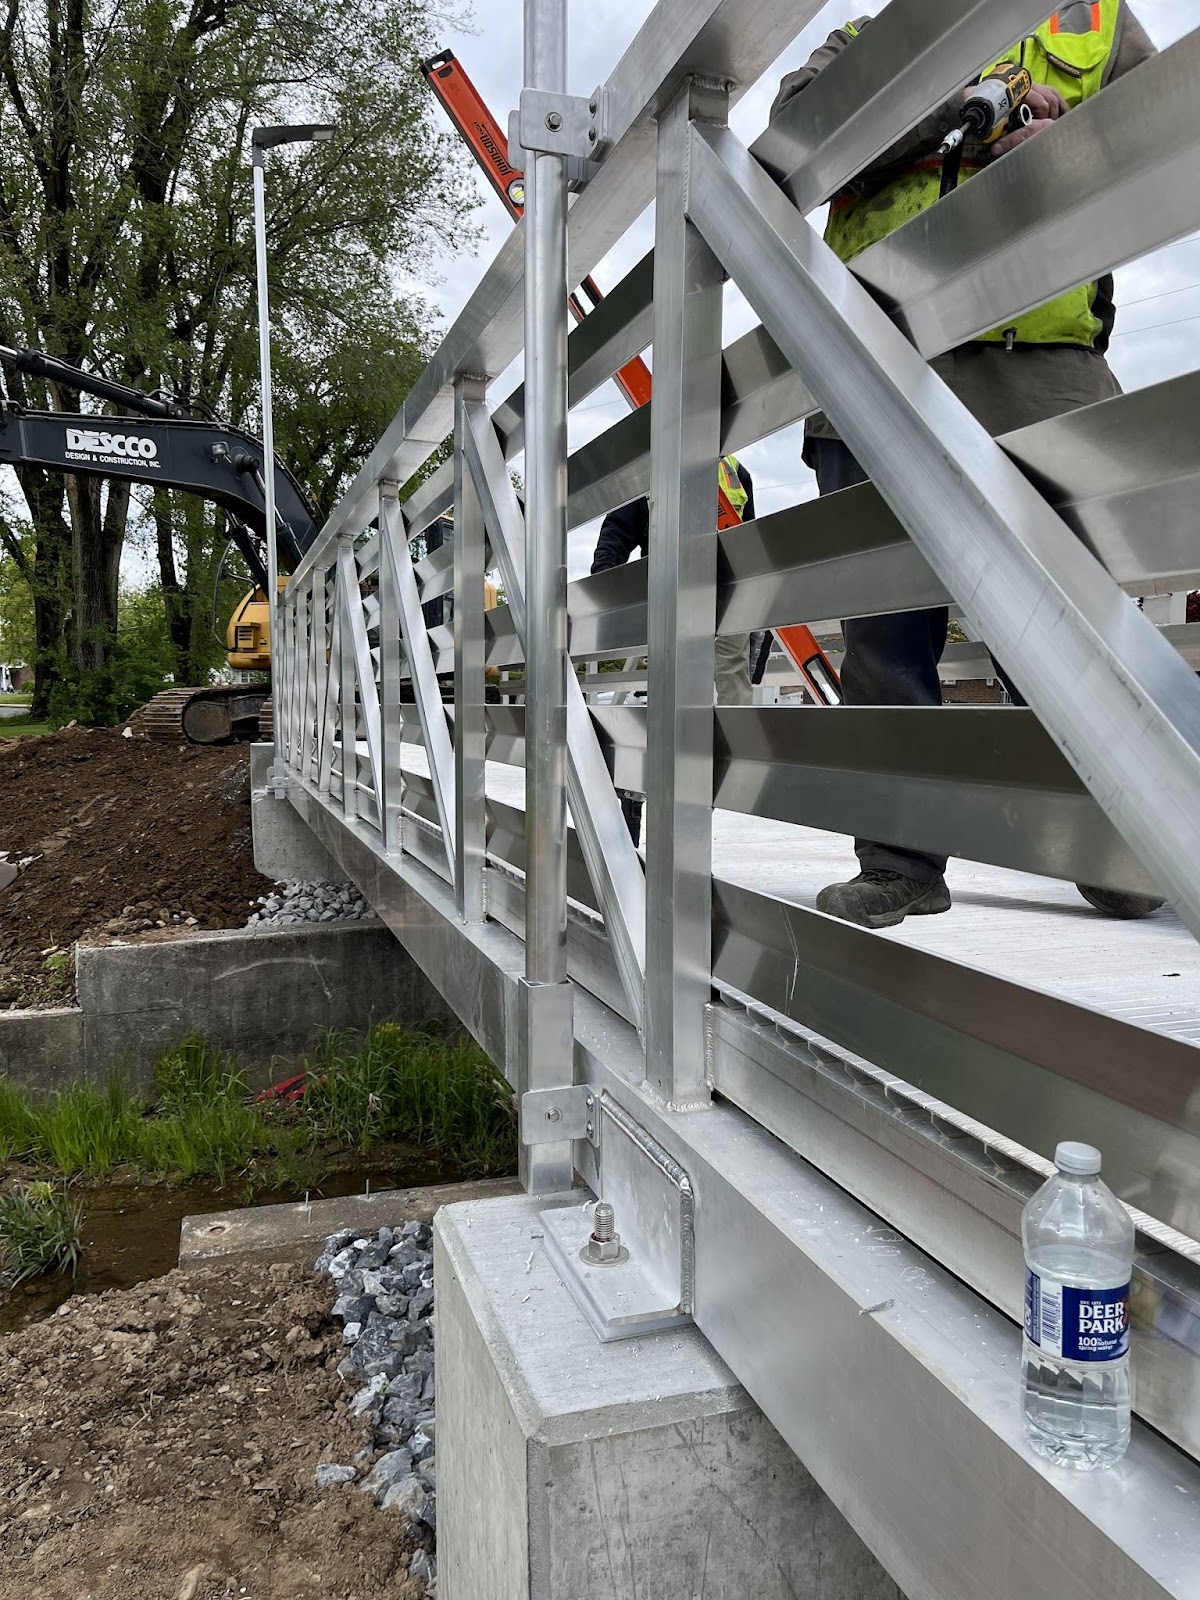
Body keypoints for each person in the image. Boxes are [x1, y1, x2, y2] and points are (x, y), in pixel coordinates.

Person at [772, 2, 1164, 930]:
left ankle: (1121, 843)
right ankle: (901, 860)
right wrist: (959, 104)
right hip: (873, 355)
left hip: (1041, 357)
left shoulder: (1102, 22)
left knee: (1075, 626)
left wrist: (1071, 138)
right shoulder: (873, 36)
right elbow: (791, 136)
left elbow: (1161, 134)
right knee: (883, 637)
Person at [592, 455, 770, 845]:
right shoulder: (654, 464)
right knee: (671, 697)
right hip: (672, 597)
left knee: (733, 689)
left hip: (724, 597)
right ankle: (658, 784)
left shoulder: (734, 472)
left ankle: (721, 779)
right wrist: (606, 584)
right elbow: (618, 532)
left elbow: (749, 534)